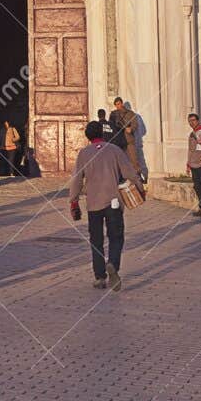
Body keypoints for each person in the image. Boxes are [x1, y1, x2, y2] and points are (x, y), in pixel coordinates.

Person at [65, 120, 142, 290]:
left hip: (93, 203)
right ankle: (113, 263)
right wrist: (140, 186)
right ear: (102, 133)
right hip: (113, 201)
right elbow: (129, 171)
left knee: (96, 240)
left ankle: (100, 277)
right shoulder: (114, 150)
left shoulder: (84, 153)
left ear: (87, 136)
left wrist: (74, 201)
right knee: (116, 236)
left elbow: (77, 179)